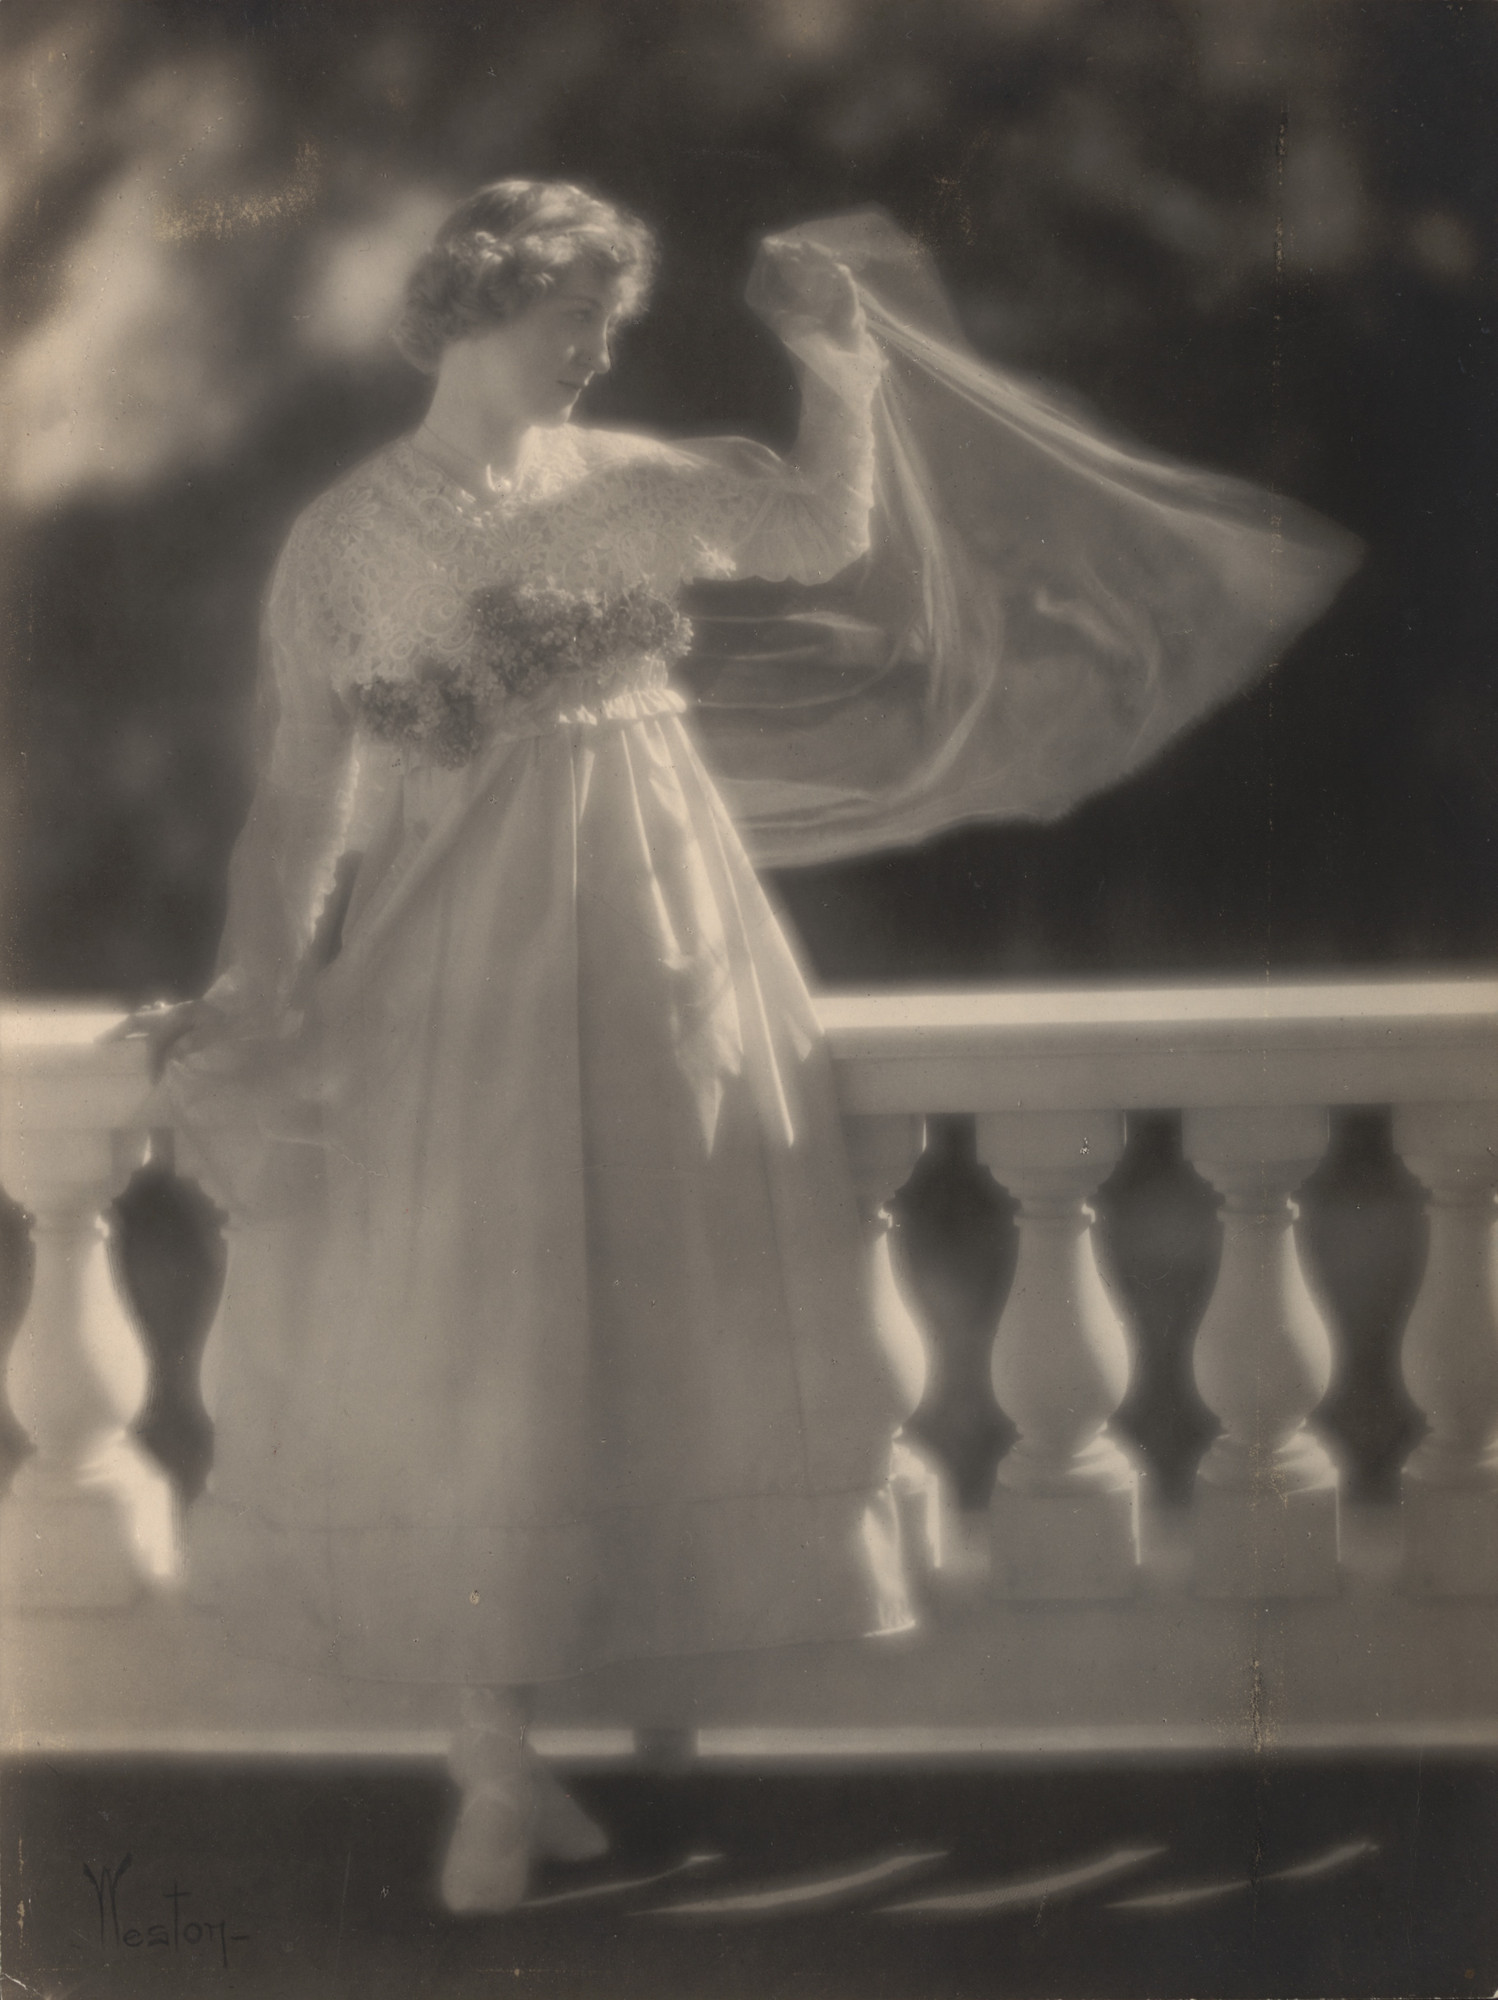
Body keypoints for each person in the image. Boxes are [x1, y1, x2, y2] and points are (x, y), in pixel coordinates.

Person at [119, 177, 1359, 1916]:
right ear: (487, 298)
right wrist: (253, 992)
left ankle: (618, 1728)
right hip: (458, 954)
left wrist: (836, 374)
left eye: (612, 326)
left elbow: (824, 540)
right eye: (578, 317)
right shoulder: (342, 542)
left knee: (650, 1289)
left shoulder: (629, 480)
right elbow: (300, 798)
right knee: (480, 1332)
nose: (600, 349)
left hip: (659, 926)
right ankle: (489, 1760)